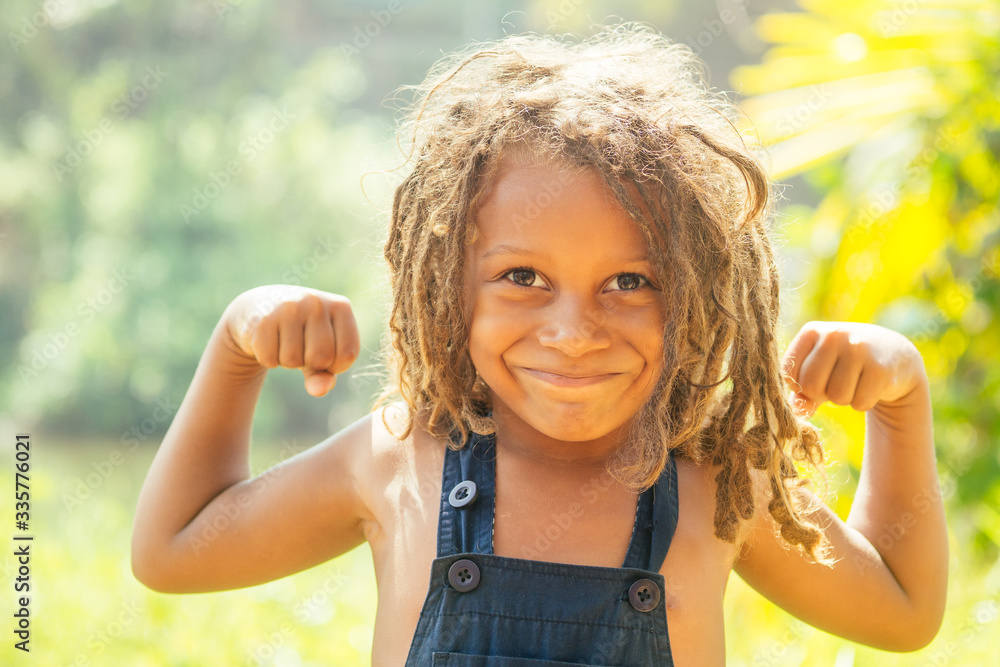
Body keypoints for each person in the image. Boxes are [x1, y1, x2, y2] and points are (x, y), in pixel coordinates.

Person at [130, 23, 947, 666]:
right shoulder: (401, 459)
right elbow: (173, 551)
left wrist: (901, 403)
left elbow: (903, 610)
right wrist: (238, 346)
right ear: (448, 285)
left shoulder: (716, 489)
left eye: (631, 282)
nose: (572, 332)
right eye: (523, 275)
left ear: (698, 297)